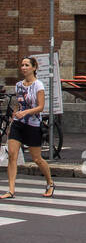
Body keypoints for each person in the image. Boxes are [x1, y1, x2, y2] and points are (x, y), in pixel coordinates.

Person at [1, 56, 55, 199]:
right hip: (18, 124)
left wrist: (25, 112)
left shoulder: (38, 85)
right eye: (22, 65)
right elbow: (18, 105)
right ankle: (11, 189)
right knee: (12, 155)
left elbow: (41, 107)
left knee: (37, 158)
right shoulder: (19, 85)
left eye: (27, 65)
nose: (23, 67)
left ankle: (50, 182)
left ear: (34, 68)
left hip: (33, 125)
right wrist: (13, 117)